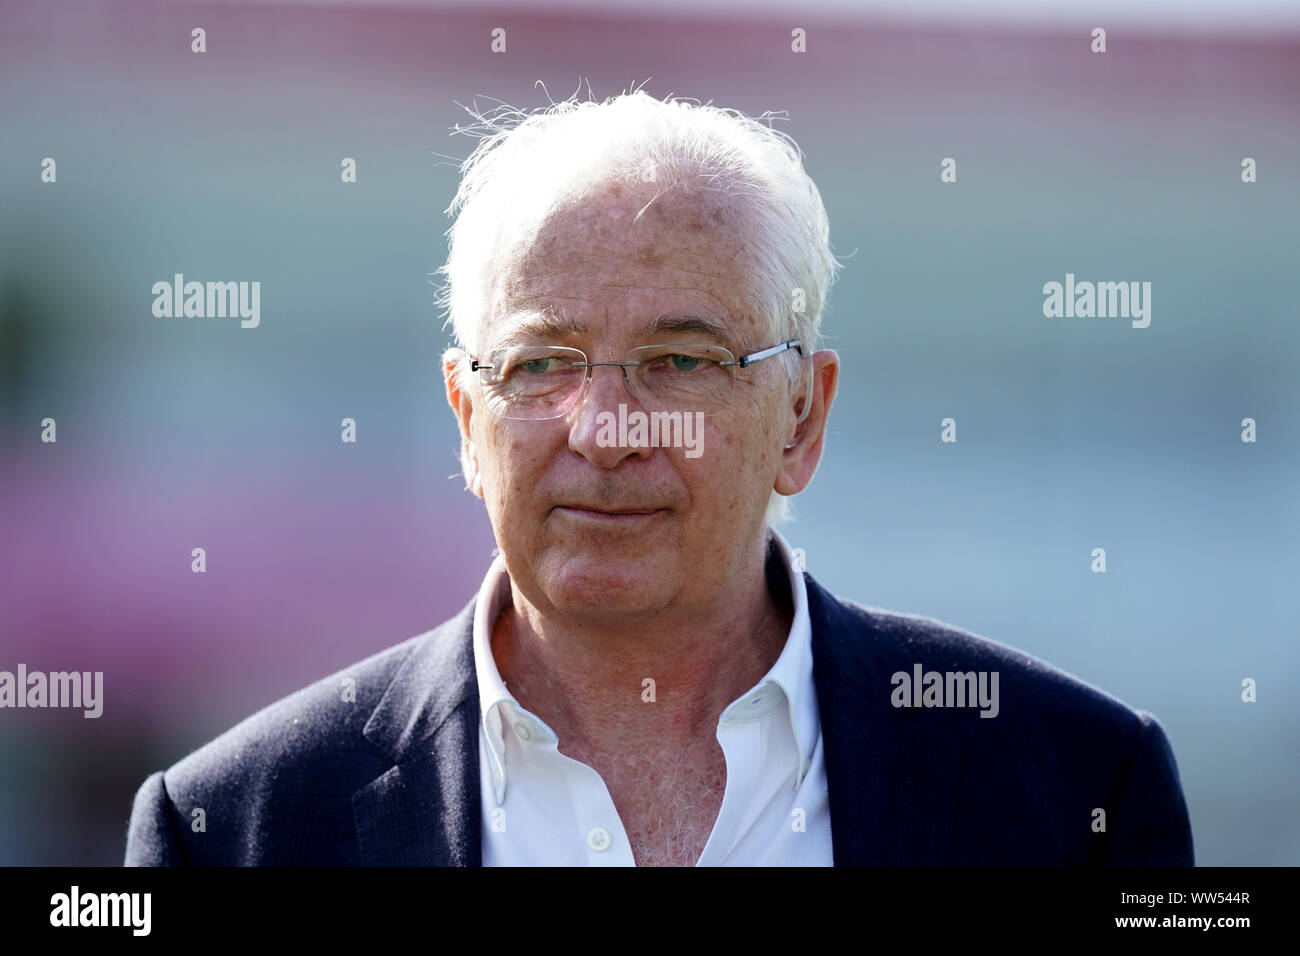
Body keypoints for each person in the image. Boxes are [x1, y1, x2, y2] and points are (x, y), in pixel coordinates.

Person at [125, 90, 1193, 866]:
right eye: (541, 364)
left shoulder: (1073, 784)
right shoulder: (239, 825)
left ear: (801, 416)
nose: (603, 427)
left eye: (679, 361)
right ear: (465, 413)